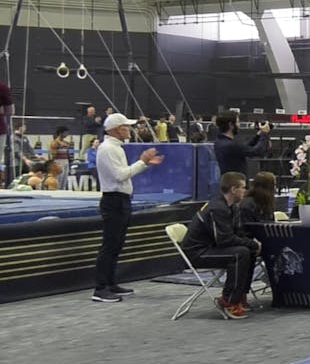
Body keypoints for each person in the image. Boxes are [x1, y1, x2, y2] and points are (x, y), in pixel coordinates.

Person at [92, 114, 164, 303]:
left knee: (116, 244)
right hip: (113, 201)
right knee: (109, 245)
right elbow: (119, 176)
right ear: (116, 130)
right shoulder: (108, 149)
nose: (130, 130)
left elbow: (123, 175)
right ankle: (100, 288)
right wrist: (142, 161)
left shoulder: (115, 148)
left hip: (121, 200)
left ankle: (111, 283)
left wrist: (144, 163)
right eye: (126, 127)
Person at [180, 172, 259, 320]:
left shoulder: (232, 207)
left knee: (249, 250)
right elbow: (225, 239)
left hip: (211, 248)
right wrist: (251, 243)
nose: (245, 190)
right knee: (240, 253)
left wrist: (253, 244)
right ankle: (228, 301)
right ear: (233, 189)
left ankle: (241, 294)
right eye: (243, 187)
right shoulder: (218, 208)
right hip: (198, 253)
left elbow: (237, 233)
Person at [213, 112, 271, 176]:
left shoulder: (219, 142)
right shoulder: (230, 145)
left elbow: (244, 148)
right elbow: (257, 151)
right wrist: (264, 133)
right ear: (231, 125)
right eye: (237, 122)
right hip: (236, 183)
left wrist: (258, 135)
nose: (239, 125)